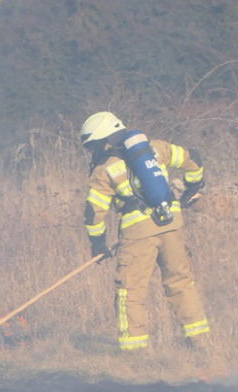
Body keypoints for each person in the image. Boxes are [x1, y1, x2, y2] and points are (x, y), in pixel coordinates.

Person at [79, 111, 210, 351]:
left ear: (102, 141)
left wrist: (97, 243)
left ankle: (135, 352)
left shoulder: (105, 169)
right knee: (181, 283)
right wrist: (193, 187)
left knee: (130, 292)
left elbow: (93, 211)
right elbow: (195, 159)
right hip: (172, 224)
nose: (92, 152)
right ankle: (201, 344)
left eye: (92, 146)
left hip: (138, 233)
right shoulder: (157, 148)